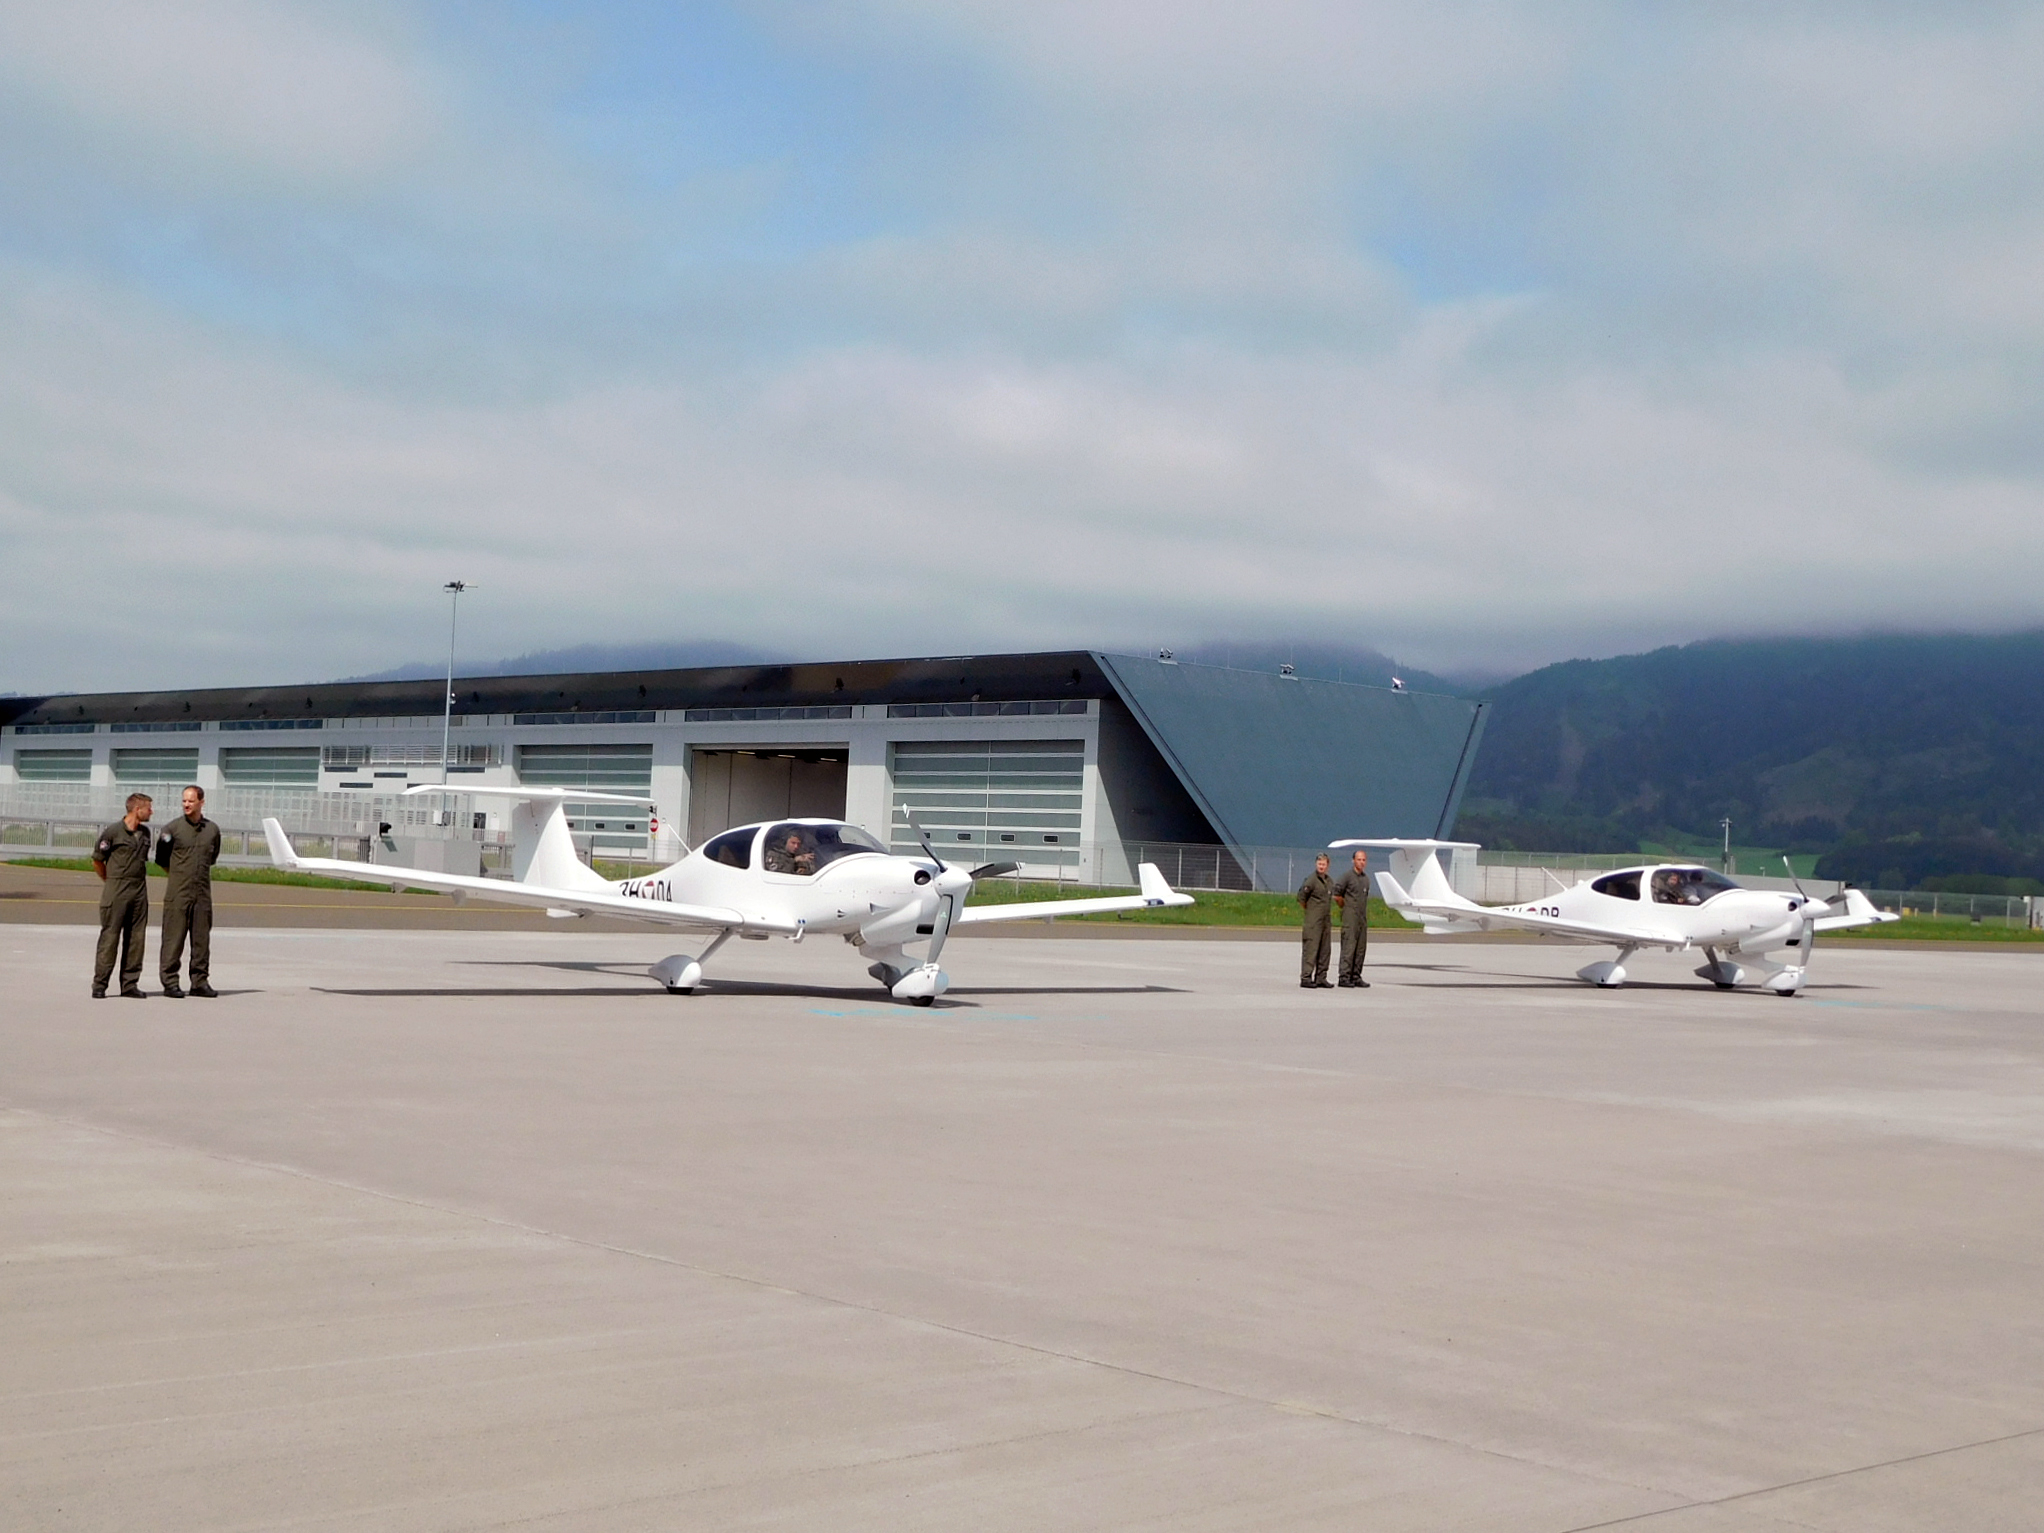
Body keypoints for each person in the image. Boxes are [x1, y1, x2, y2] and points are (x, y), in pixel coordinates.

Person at [156, 784, 223, 998]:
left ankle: (199, 982)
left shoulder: (212, 830)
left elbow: (212, 859)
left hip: (202, 893)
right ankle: (170, 982)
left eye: (191, 801)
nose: (186, 804)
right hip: (179, 893)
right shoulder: (171, 829)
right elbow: (161, 859)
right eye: (184, 800)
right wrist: (178, 876)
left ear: (201, 802)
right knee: (173, 939)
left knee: (201, 940)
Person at [92, 792, 154, 998]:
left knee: (136, 939)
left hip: (138, 891)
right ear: (138, 809)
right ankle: (100, 984)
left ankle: (129, 984)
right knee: (110, 938)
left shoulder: (145, 833)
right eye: (148, 808)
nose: (151, 812)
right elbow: (98, 860)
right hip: (116, 890)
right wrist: (110, 881)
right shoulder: (113, 832)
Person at [1332, 847, 1372, 988]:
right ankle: (1344, 976)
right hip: (1350, 917)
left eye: (1363, 860)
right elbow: (1336, 894)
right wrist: (1345, 906)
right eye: (1359, 859)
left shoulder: (1366, 879)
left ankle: (1356, 975)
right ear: (1353, 860)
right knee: (1349, 947)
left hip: (1362, 918)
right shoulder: (1347, 877)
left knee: (1360, 948)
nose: (1361, 862)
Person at [1297, 853, 1334, 988]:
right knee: (1311, 950)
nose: (1321, 867)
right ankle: (1306, 977)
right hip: (1313, 923)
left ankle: (1321, 977)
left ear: (1327, 866)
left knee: (1325, 950)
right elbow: (1301, 899)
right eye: (1319, 864)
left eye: (1323, 864)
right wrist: (1311, 912)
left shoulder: (1329, 881)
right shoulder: (1311, 880)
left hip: (1325, 922)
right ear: (1316, 864)